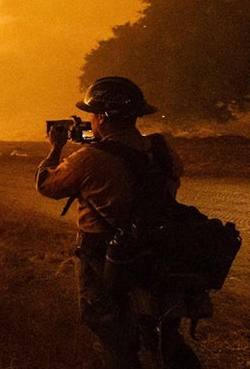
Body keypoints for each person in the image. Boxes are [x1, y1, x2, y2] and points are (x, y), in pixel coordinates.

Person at [36, 76, 202, 368]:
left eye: (92, 114)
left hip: (104, 258)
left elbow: (47, 186)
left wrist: (56, 147)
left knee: (112, 335)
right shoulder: (162, 149)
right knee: (159, 333)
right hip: (158, 252)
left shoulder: (89, 158)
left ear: (101, 116)